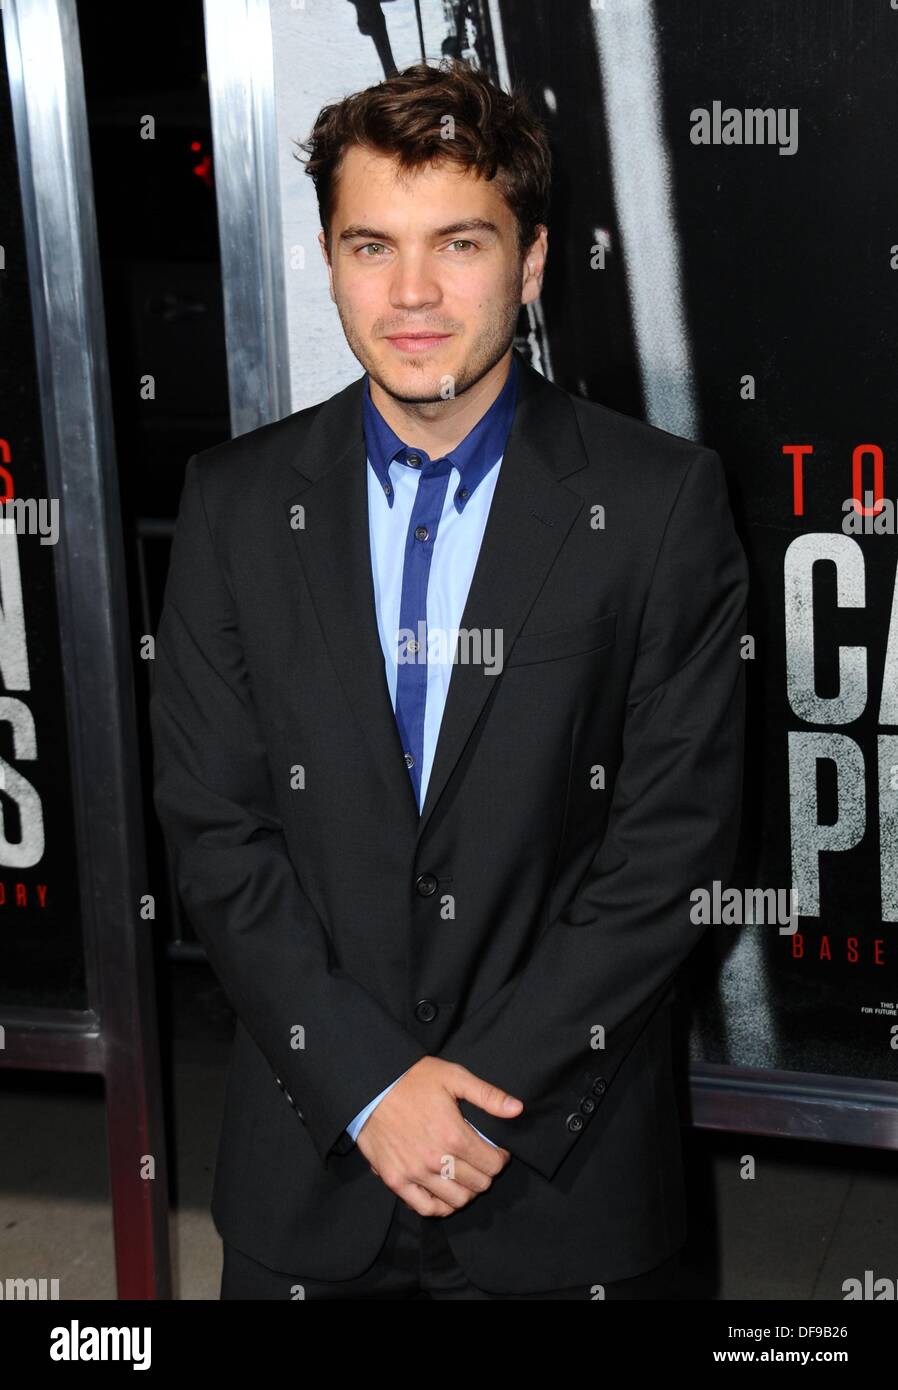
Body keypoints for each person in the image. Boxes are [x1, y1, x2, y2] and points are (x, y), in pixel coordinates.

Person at [149, 57, 749, 1300]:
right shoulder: (237, 503)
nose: (411, 293)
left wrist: (473, 1105)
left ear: (529, 265)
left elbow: (673, 845)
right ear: (327, 258)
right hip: (309, 1162)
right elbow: (216, 830)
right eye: (372, 246)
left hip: (561, 1174)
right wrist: (370, 1083)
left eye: (458, 244)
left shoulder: (654, 502)